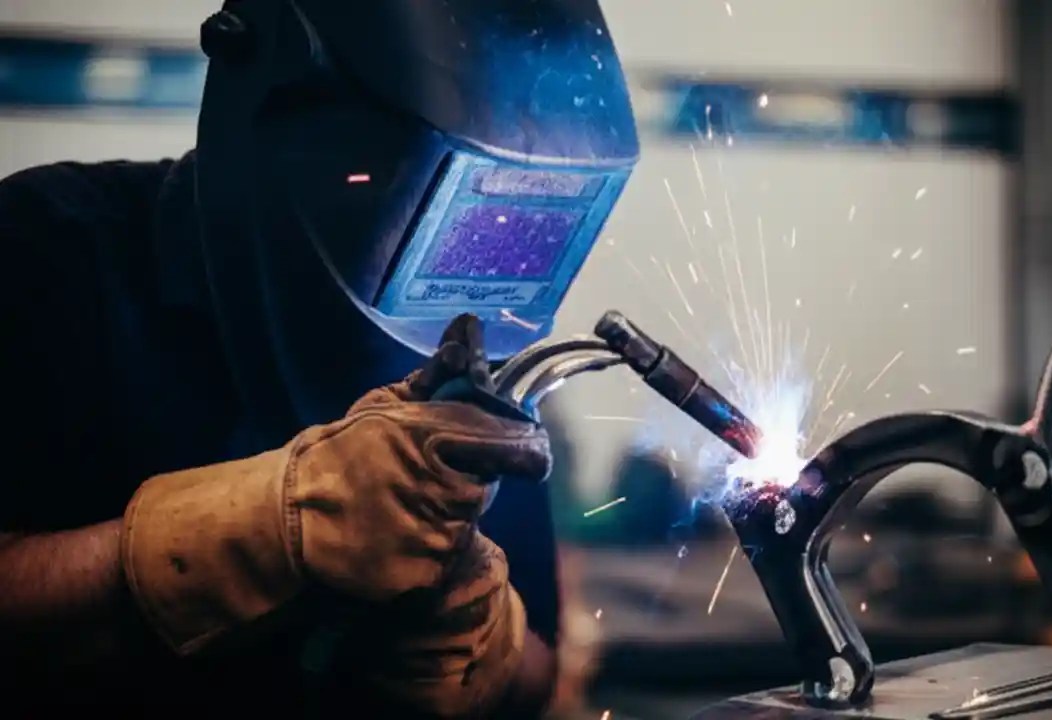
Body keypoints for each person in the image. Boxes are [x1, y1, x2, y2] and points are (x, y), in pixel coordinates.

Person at [0, 0, 639, 716]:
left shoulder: (477, 374)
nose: (467, 293)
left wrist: (471, 634)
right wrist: (256, 537)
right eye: (450, 211)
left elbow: (539, 676)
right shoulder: (48, 254)